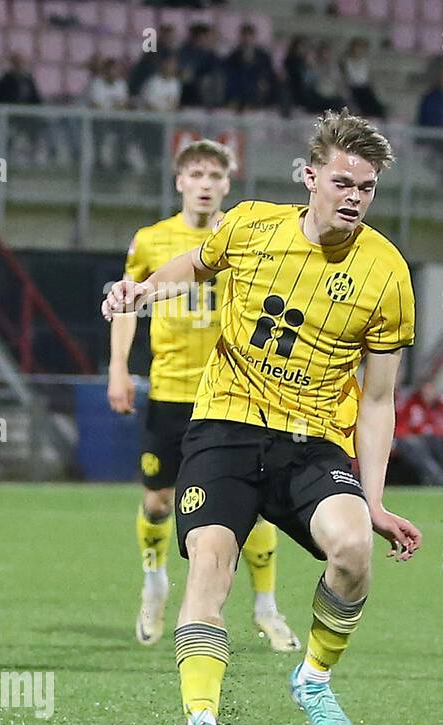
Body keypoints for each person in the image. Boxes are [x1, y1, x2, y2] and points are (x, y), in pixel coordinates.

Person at [101, 110, 422, 725]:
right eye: (342, 182)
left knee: (356, 546)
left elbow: (382, 399)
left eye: (367, 187)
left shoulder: (388, 273)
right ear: (310, 177)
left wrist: (375, 498)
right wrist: (141, 292)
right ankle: (202, 724)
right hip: (225, 426)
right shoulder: (249, 226)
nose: (355, 197)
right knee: (211, 563)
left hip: (313, 443)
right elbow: (194, 262)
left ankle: (311, 677)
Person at [107, 138, 298, 657]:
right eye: (196, 175)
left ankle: (266, 608)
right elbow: (127, 303)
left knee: (253, 507)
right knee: (157, 500)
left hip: (232, 393)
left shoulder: (243, 238)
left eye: (215, 176)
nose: (206, 184)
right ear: (180, 182)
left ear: (227, 185)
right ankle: (154, 587)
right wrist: (119, 368)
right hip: (169, 390)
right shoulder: (152, 239)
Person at [225, 23, 277, 111]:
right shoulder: (233, 55)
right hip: (240, 84)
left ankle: (260, 106)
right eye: (244, 36)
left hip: (257, 84)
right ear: (240, 37)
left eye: (249, 36)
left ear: (254, 37)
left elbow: (268, 71)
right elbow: (230, 73)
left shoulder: (263, 55)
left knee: (264, 85)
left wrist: (264, 79)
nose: (247, 39)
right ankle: (238, 103)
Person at [342, 38, 385, 118]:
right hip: (353, 88)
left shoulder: (364, 62)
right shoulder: (347, 61)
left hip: (364, 87)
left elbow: (367, 78)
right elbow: (348, 78)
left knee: (373, 102)